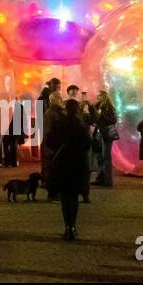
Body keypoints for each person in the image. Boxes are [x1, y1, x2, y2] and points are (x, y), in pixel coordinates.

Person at [48, 99, 92, 240]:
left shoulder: (59, 124)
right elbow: (88, 144)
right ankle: (72, 226)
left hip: (62, 163)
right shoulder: (81, 125)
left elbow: (49, 141)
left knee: (65, 197)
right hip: (78, 163)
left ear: (66, 108)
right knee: (73, 197)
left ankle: (67, 226)